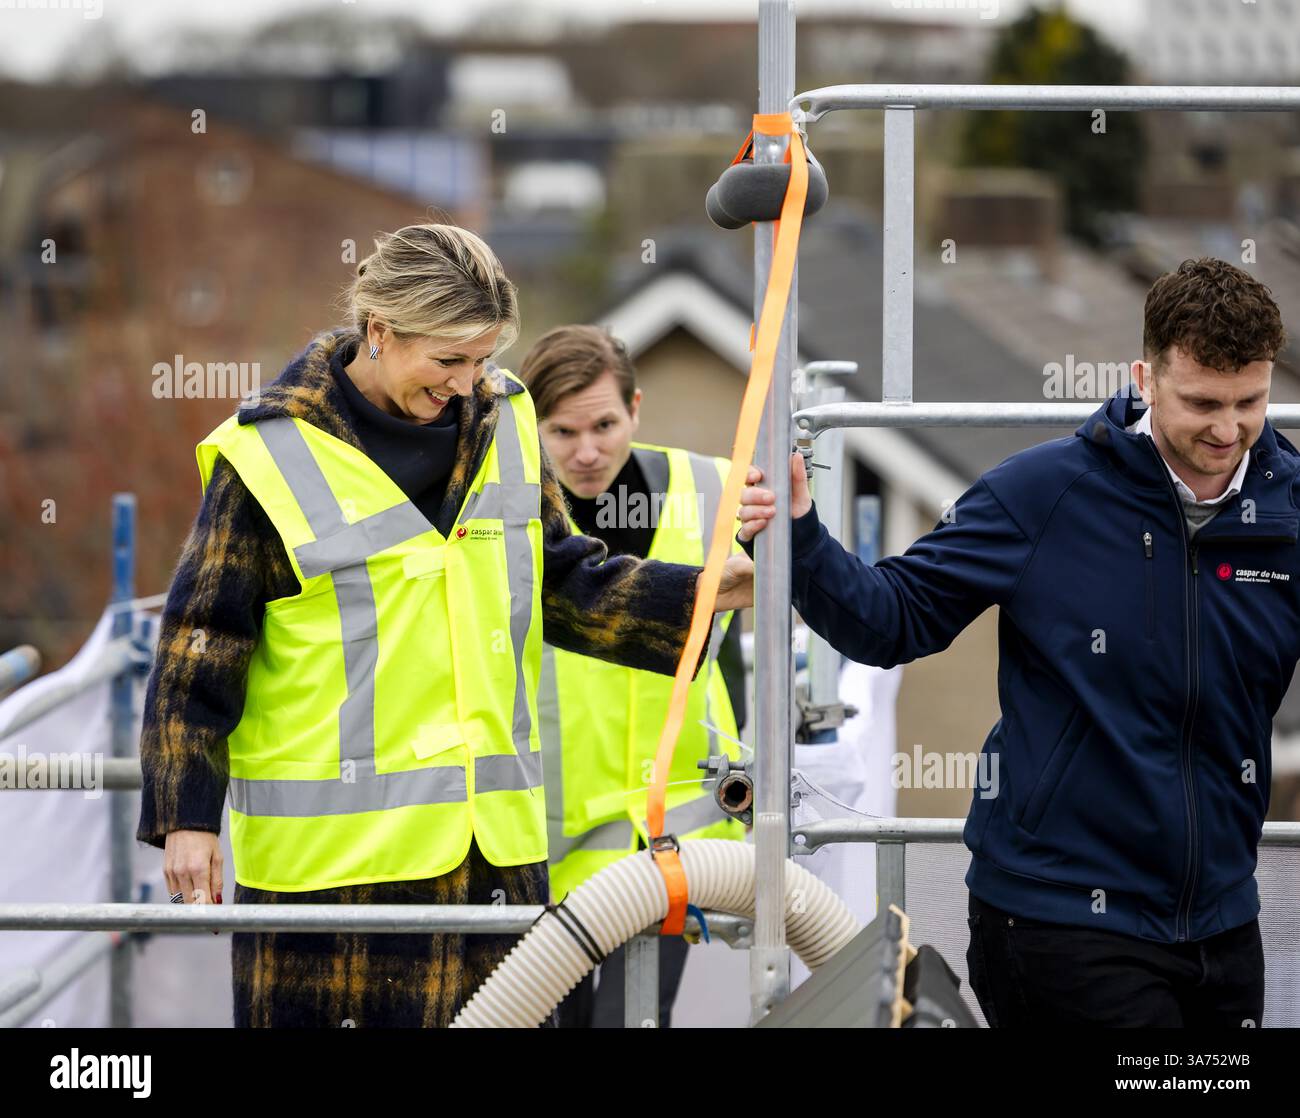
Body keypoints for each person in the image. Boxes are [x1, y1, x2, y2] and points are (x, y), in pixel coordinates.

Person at [135, 223, 753, 1028]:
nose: (468, 383)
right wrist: (186, 817)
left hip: (491, 866)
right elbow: (201, 643)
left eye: (484, 359)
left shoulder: (502, 423)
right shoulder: (269, 459)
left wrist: (705, 593)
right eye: (449, 360)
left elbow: (563, 580)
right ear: (380, 332)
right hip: (330, 883)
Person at [737, 257, 1290, 1028]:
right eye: (1202, 402)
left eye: (1251, 402)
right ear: (1146, 377)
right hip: (1061, 923)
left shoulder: (1288, 512)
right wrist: (797, 534)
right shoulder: (1041, 494)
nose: (1228, 430)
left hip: (1225, 925)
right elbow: (892, 618)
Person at [518, 324, 748, 1028]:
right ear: (528, 427)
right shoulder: (502, 516)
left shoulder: (714, 491)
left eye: (605, 425)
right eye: (561, 432)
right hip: (542, 846)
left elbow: (737, 664)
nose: (587, 453)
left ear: (636, 408)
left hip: (671, 840)